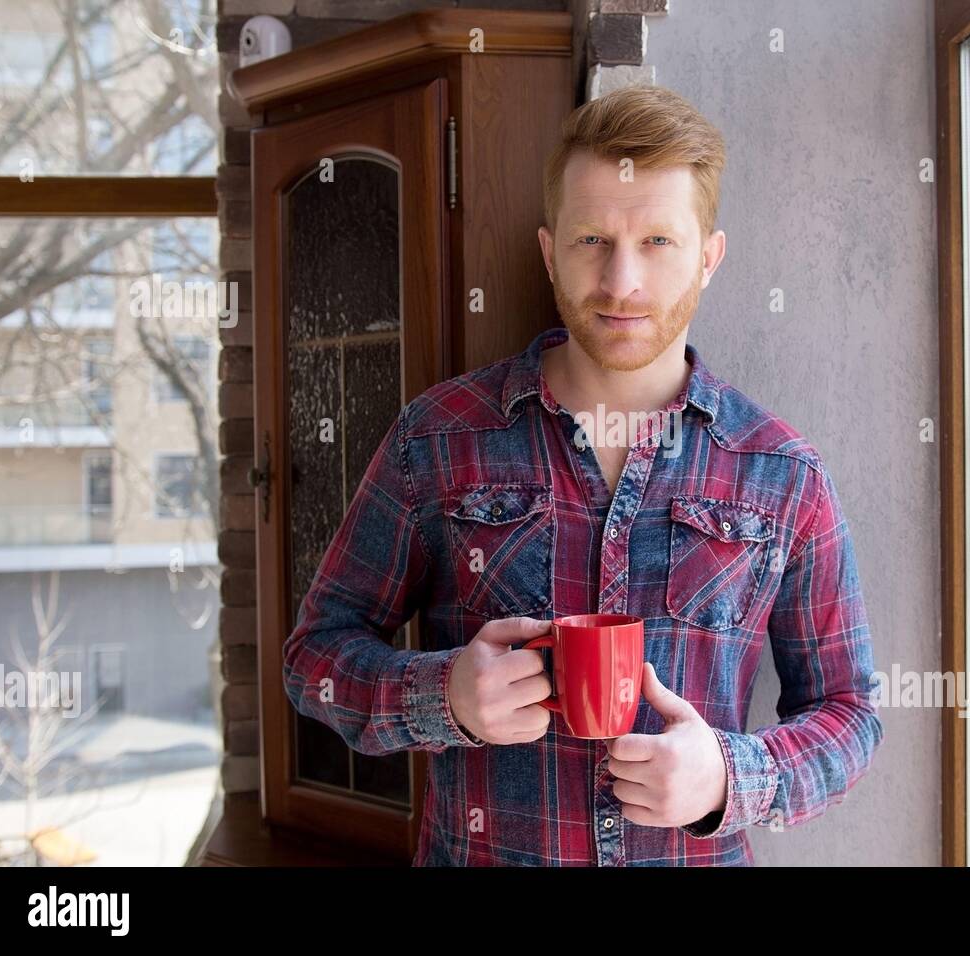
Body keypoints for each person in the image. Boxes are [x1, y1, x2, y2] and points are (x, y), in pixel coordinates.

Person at [283, 85, 882, 866]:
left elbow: (851, 713)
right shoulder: (435, 438)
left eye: (658, 242)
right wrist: (445, 698)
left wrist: (729, 777)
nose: (622, 281)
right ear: (547, 250)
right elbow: (313, 660)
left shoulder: (781, 473)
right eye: (592, 239)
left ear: (709, 257)